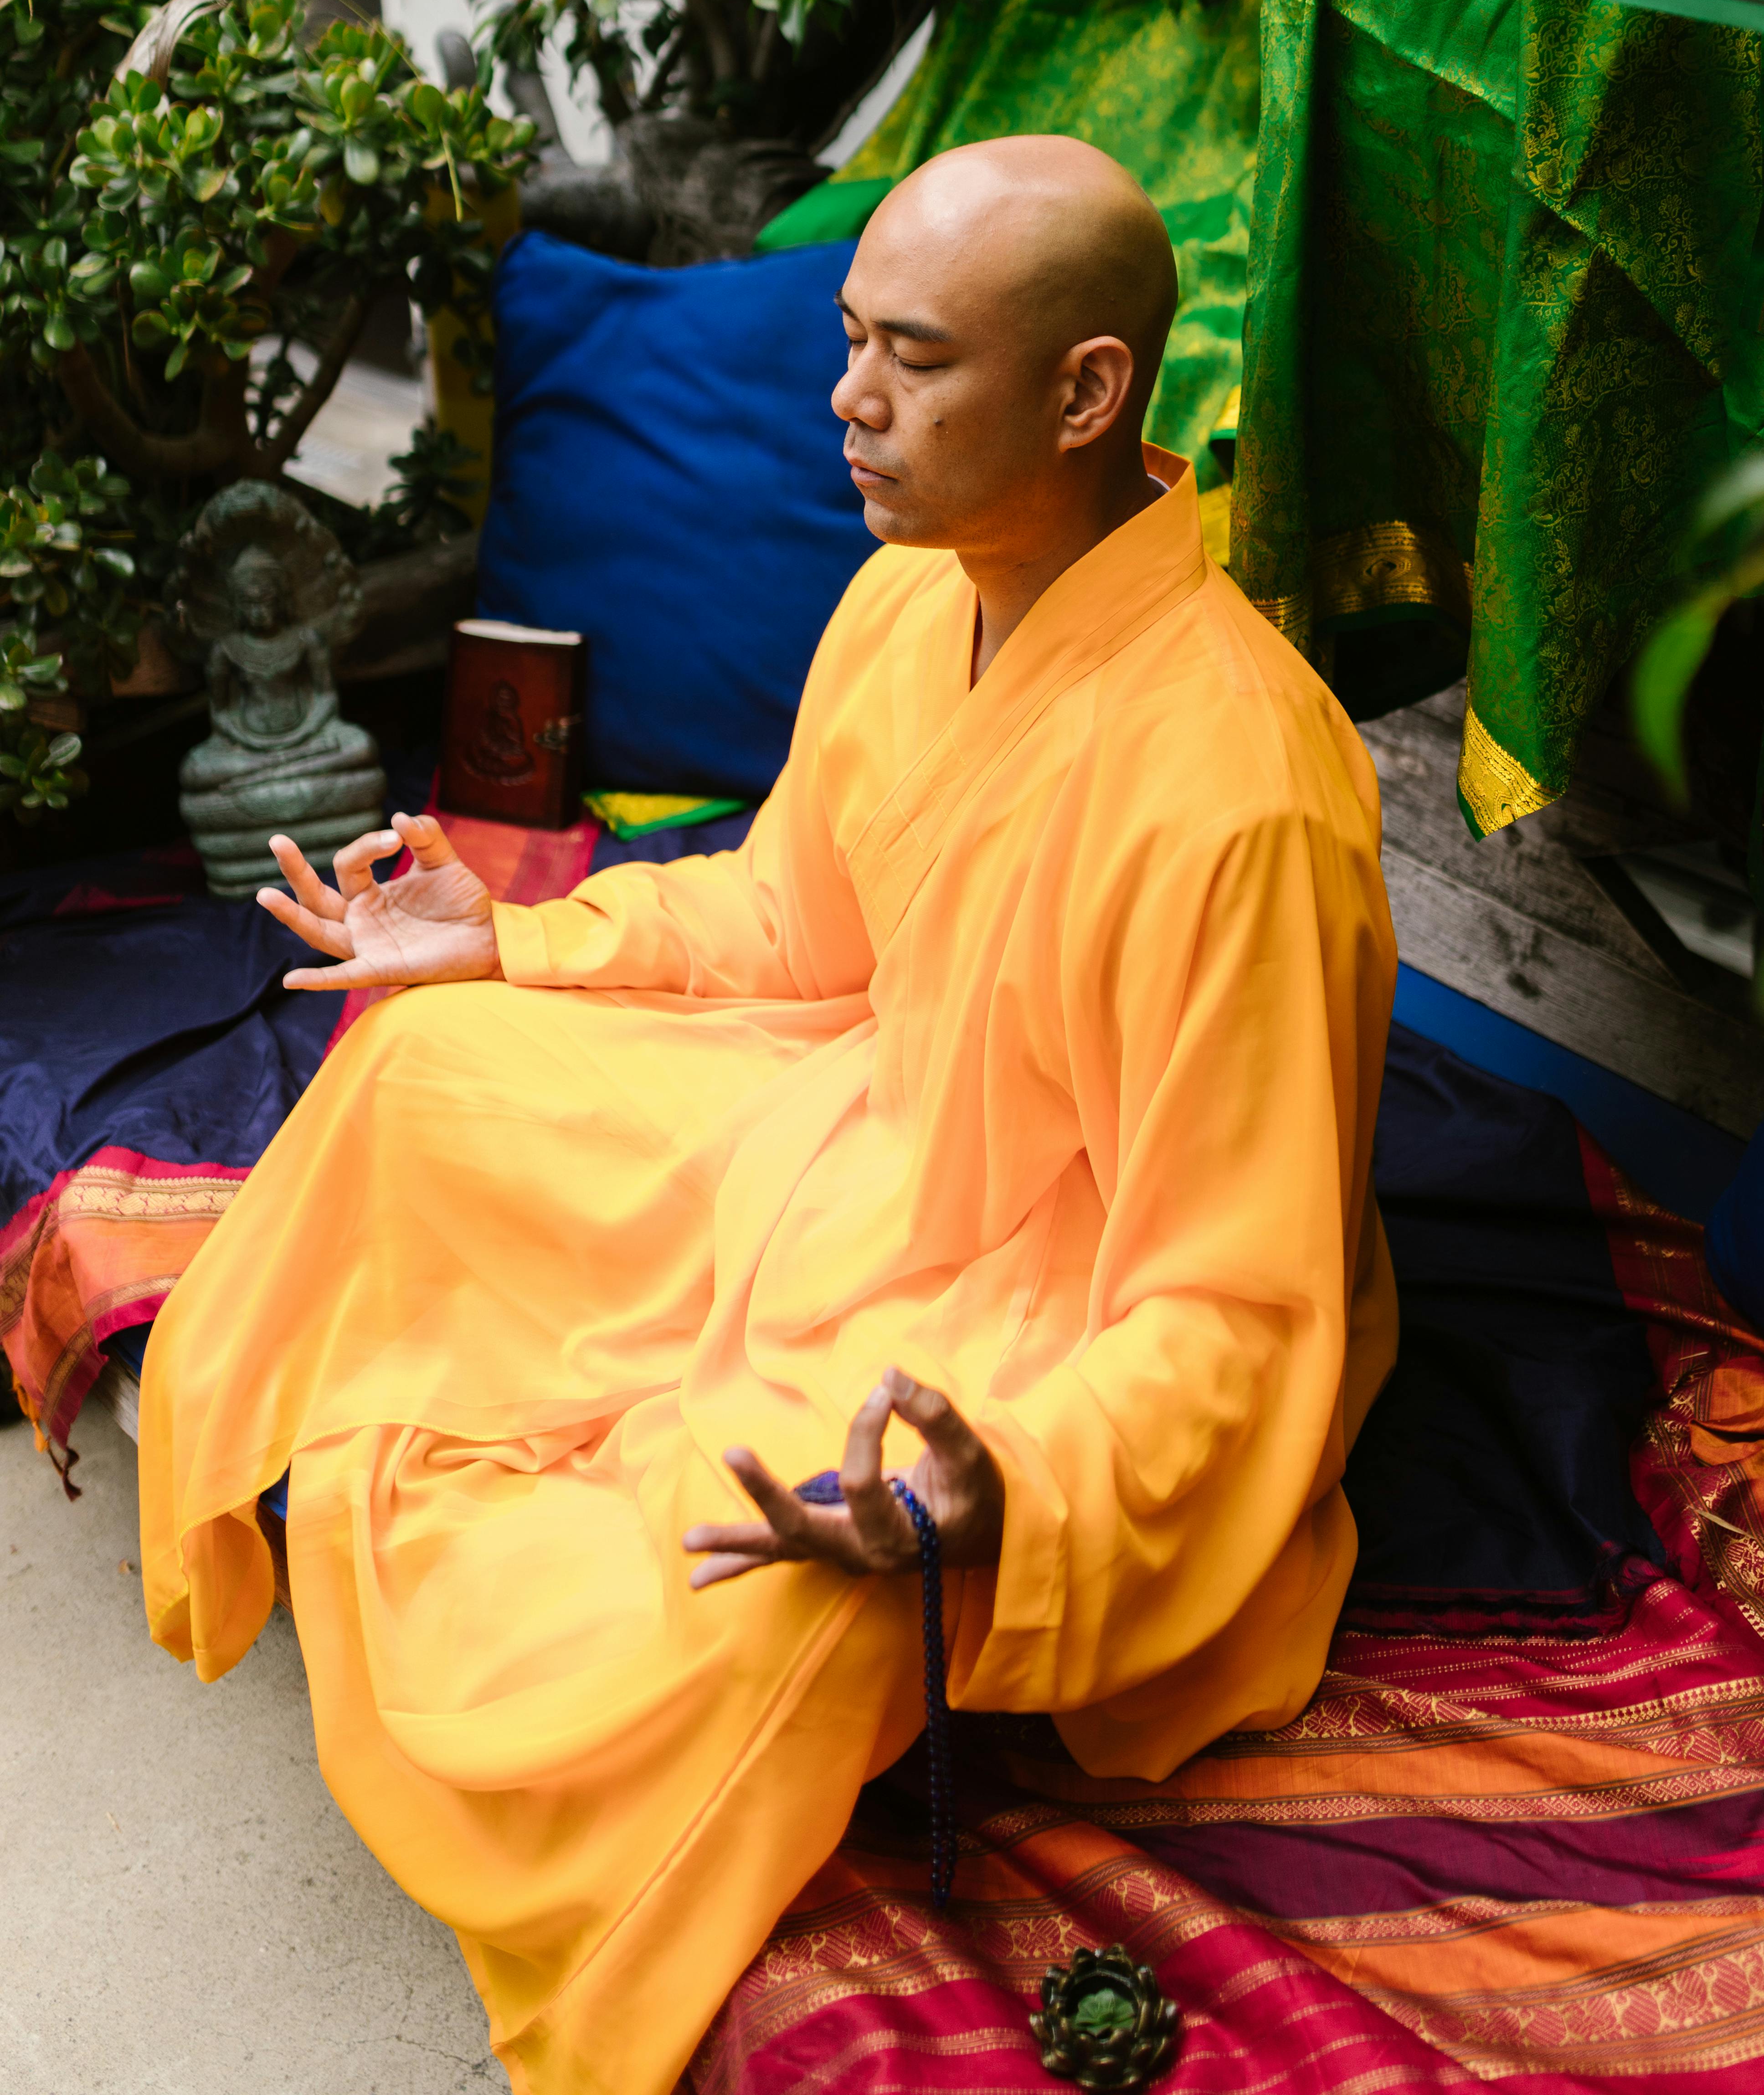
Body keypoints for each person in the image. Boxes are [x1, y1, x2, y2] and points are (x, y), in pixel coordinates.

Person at [140, 134, 1399, 2095]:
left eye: (910, 357)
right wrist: (520, 935)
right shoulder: (916, 601)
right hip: (843, 1122)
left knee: (767, 1562)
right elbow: (790, 917)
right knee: (423, 1066)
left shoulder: (1239, 791)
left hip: (1029, 1320)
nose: (846, 400)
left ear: (1084, 394)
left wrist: (1026, 1483)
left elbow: (1239, 1310)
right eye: (846, 342)